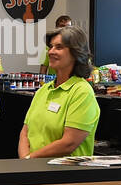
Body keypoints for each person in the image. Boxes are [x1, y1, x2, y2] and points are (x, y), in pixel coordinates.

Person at [19, 25, 101, 158]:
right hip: (34, 172)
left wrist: (30, 159)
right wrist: (25, 160)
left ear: (76, 53)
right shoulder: (43, 90)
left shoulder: (82, 92)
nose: (51, 51)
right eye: (51, 47)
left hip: (65, 175)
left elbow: (69, 143)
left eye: (59, 47)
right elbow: (25, 132)